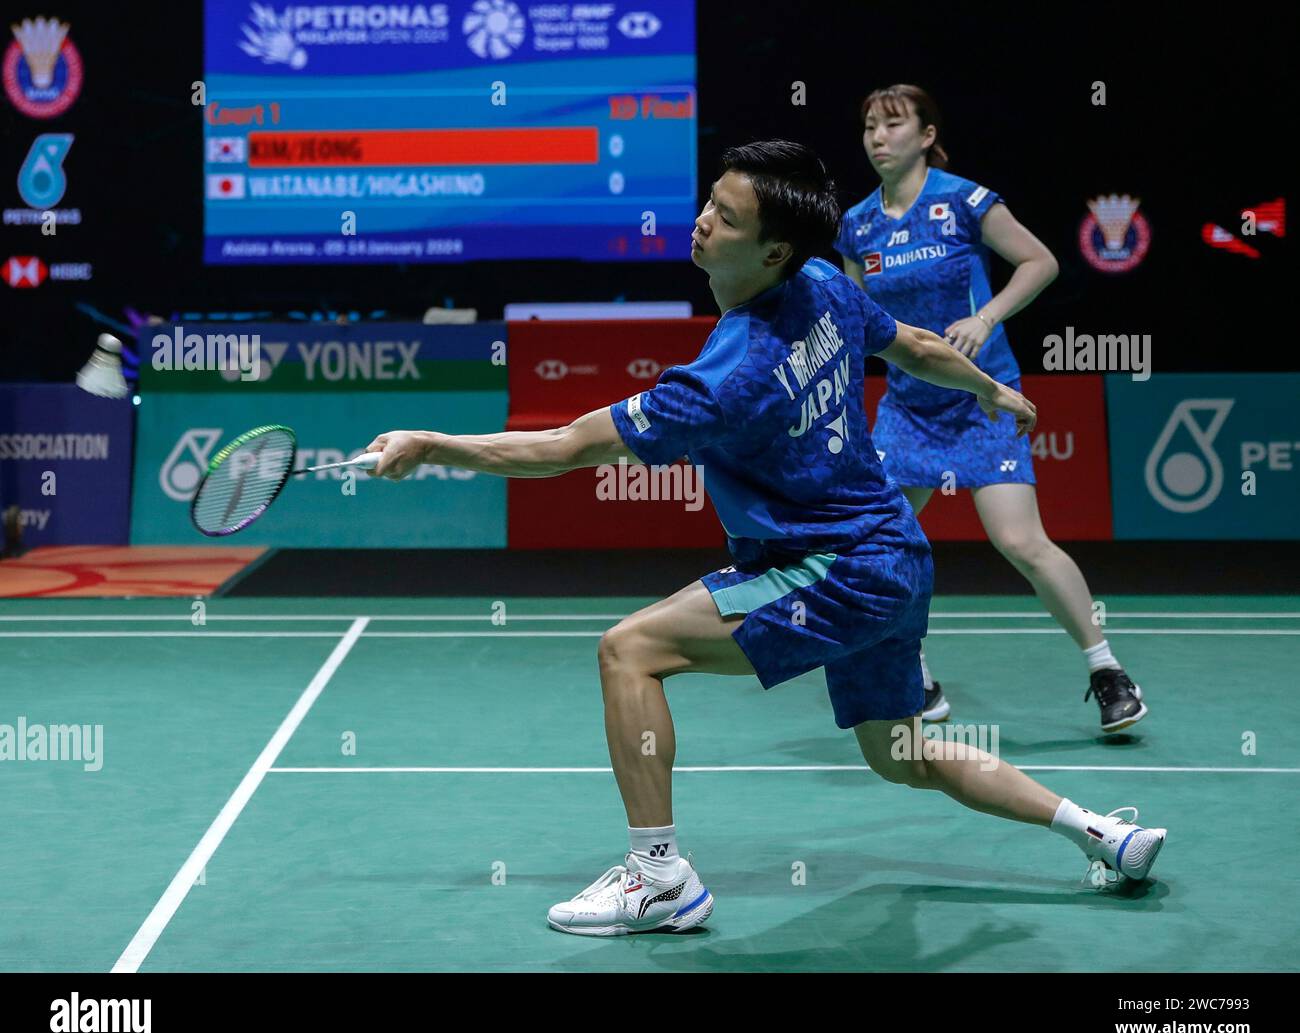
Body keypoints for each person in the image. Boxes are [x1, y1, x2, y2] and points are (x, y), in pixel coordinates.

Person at [365, 140, 1166, 937]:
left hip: (834, 570)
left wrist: (434, 445)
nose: (703, 222)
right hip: (895, 554)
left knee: (629, 651)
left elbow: (566, 447)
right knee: (905, 756)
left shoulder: (727, 377)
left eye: (726, 216)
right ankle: (1104, 834)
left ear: (774, 247)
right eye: (710, 201)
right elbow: (915, 345)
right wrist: (991, 386)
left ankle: (658, 877)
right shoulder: (824, 284)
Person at [836, 84, 1148, 733]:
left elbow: (1041, 262)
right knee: (880, 541)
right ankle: (912, 675)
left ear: (925, 136)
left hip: (983, 397)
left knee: (1019, 541)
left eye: (893, 124)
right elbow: (856, 318)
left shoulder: (964, 200)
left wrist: (986, 316)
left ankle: (1108, 670)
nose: (877, 136)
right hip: (907, 407)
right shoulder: (857, 225)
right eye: (869, 125)